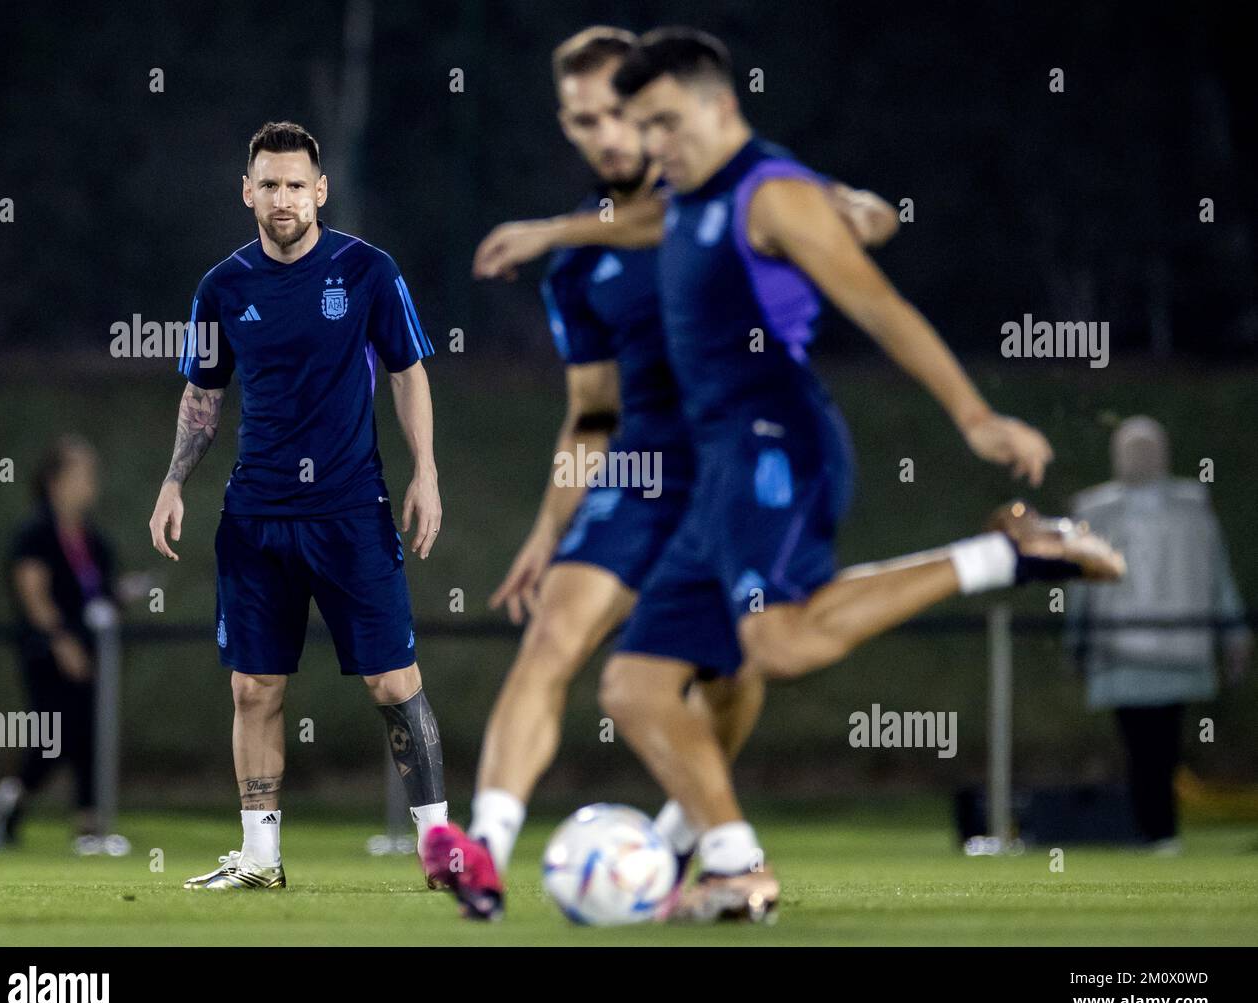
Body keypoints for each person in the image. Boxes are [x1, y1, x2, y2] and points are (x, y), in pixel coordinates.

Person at [471, 28, 1124, 922]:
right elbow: (639, 224)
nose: (653, 146)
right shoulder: (686, 196)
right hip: (713, 467)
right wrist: (554, 230)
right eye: (639, 127)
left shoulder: (771, 193)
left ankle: (1006, 558)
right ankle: (737, 871)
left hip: (775, 441)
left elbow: (880, 305)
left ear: (721, 106)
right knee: (635, 685)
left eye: (663, 124)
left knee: (771, 644)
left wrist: (975, 415)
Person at [425, 27, 900, 921]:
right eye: (580, 120)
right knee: (552, 638)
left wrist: (865, 209)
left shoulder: (724, 189)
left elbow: (845, 208)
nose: (604, 135)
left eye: (615, 113)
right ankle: (483, 850)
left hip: (739, 455)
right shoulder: (576, 266)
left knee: (727, 675)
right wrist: (545, 530)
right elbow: (592, 413)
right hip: (641, 465)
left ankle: (685, 844)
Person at [148, 121, 446, 890]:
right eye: (268, 185)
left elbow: (409, 372)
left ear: (320, 191)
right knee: (254, 687)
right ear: (248, 193)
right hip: (256, 516)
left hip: (351, 509)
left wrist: (427, 473)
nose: (282, 198)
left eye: (295, 184)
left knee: (392, 682)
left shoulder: (369, 271)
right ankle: (259, 859)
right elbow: (202, 394)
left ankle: (442, 852)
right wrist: (174, 481)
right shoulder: (223, 286)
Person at [1067, 416, 1251, 852]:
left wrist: (1234, 633)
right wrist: (1078, 639)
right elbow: (1081, 586)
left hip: (1174, 650)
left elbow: (1215, 576)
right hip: (1122, 651)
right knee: (1141, 746)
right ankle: (1153, 829)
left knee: (1161, 746)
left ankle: (1158, 830)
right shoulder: (1096, 510)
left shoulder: (1192, 507)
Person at [0, 435, 128, 853]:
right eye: (81, 474)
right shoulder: (35, 533)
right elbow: (33, 592)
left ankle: (89, 829)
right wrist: (60, 641)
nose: (90, 483)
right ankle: (11, 800)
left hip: (91, 653)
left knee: (90, 732)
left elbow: (101, 593)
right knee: (55, 734)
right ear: (55, 480)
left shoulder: (94, 540)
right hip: (47, 653)